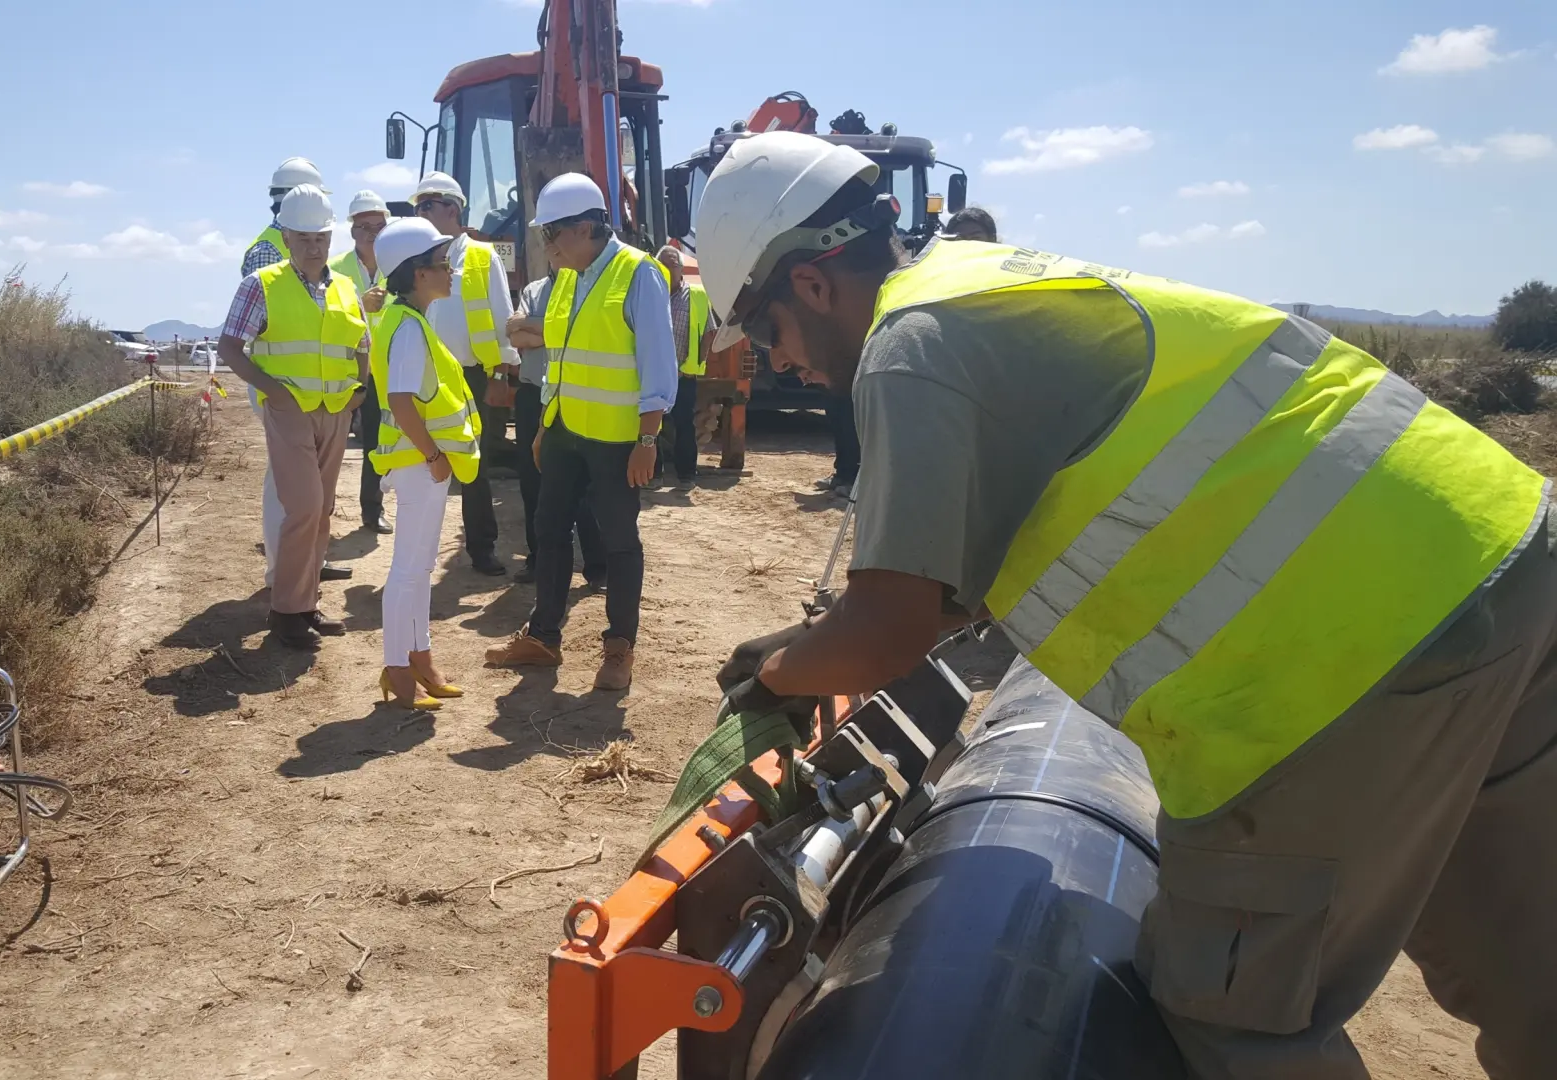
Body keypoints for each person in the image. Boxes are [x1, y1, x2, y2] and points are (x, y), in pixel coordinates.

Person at [695, 130, 1557, 1079]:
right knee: (1523, 971)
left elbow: (887, 634)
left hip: (1349, 652)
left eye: (767, 334)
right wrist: (811, 639)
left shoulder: (909, 350)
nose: (782, 364)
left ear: (811, 283)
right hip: (1502, 553)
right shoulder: (985, 289)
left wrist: (780, 674)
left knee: (1233, 1013)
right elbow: (945, 588)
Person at [484, 173, 677, 691]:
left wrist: (647, 439)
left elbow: (658, 364)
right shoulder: (567, 279)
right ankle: (544, 637)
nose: (546, 244)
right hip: (564, 431)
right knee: (549, 531)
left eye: (552, 233)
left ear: (585, 227)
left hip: (616, 439)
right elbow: (560, 361)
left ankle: (619, 647)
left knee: (618, 542)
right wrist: (546, 425)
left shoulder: (638, 274)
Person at [218, 185, 368, 649]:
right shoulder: (261, 285)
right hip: (289, 412)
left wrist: (359, 390)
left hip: (335, 410)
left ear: (330, 237)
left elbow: (361, 343)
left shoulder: (345, 288)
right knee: (303, 506)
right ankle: (286, 611)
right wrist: (274, 392)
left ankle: (306, 603)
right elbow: (230, 347)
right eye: (303, 238)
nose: (314, 247)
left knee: (321, 510)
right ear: (285, 237)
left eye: (320, 237)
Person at [367, 218, 480, 710]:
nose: (450, 270)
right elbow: (401, 400)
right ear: (418, 273)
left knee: (420, 567)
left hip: (420, 462)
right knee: (408, 571)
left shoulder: (408, 320)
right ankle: (398, 668)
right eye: (441, 263)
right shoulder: (409, 328)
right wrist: (434, 455)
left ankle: (420, 660)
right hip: (418, 462)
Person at [242, 156, 353, 582]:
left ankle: (306, 566)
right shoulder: (269, 250)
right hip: (283, 386)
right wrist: (277, 391)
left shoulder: (281, 241)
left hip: (307, 386)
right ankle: (283, 572)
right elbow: (271, 319)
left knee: (305, 486)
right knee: (286, 484)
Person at [412, 172, 520, 576]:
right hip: (426, 376)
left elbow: (501, 315)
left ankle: (481, 548)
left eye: (427, 205)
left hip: (471, 377)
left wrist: (500, 375)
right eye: (418, 207)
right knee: (424, 463)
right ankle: (420, 550)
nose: (420, 213)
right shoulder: (417, 258)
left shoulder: (481, 256)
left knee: (474, 466)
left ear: (453, 209)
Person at [509, 270, 607, 589]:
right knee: (531, 479)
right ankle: (538, 559)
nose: (555, 251)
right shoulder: (534, 290)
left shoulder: (588, 288)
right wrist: (558, 332)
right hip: (532, 394)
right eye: (550, 247)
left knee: (583, 481)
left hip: (573, 395)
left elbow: (583, 331)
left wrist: (533, 327)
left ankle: (597, 566)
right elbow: (514, 335)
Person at [331, 189, 393, 535]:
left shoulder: (398, 266)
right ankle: (322, 511)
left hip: (383, 370)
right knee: (330, 444)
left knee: (376, 443)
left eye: (379, 226)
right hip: (343, 369)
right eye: (364, 227)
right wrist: (359, 307)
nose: (372, 233)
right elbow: (326, 317)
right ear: (352, 229)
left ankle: (373, 509)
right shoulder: (334, 268)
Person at [655, 245, 714, 489]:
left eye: (672, 266)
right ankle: (653, 474)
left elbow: (709, 332)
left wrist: (697, 363)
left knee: (684, 425)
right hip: (654, 374)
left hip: (683, 374)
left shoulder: (697, 295)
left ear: (681, 269)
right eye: (663, 266)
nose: (668, 271)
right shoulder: (649, 295)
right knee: (651, 424)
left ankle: (686, 475)